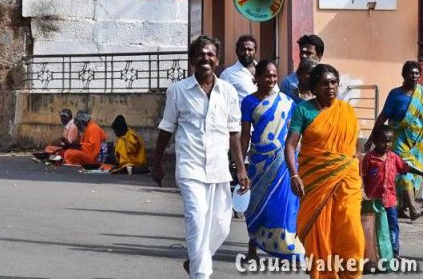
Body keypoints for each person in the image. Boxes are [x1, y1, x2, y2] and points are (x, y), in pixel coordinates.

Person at [152, 35, 249, 279]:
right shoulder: (178, 91)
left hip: (219, 169)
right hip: (190, 168)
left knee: (221, 224)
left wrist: (241, 169)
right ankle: (200, 273)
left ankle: (195, 260)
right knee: (196, 221)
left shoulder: (228, 92)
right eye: (200, 54)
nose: (205, 59)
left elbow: (234, 133)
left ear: (217, 59)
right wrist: (156, 163)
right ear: (192, 59)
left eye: (210, 54)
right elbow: (166, 128)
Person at [283, 64, 365, 279]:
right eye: (324, 84)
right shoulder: (304, 110)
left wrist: (358, 176)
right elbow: (290, 145)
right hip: (315, 182)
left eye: (333, 82)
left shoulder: (346, 110)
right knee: (320, 234)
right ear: (314, 87)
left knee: (352, 232)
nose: (330, 87)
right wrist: (294, 175)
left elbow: (354, 148)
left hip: (347, 182)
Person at [239, 60, 303, 261]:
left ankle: (287, 247)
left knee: (284, 204)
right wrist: (240, 162)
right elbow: (245, 135)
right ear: (256, 78)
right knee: (256, 205)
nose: (272, 79)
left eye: (274, 76)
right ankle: (253, 247)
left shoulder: (287, 102)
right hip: (259, 161)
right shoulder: (248, 102)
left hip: (283, 161)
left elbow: (294, 133)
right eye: (267, 75)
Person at [367, 60, 423, 221]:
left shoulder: (421, 93)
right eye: (410, 73)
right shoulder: (395, 94)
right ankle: (413, 209)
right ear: (403, 75)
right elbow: (383, 117)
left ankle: (401, 208)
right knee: (405, 170)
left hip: (417, 143)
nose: (414, 76)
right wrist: (371, 138)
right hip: (398, 139)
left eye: (416, 73)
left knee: (411, 175)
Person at [361, 124, 423, 262]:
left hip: (390, 201)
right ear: (375, 141)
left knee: (393, 227)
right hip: (373, 202)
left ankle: (394, 253)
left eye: (390, 140)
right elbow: (362, 176)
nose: (387, 144)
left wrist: (421, 173)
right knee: (374, 227)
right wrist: (362, 193)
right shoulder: (370, 158)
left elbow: (406, 167)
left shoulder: (394, 157)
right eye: (384, 141)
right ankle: (373, 253)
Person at [279, 34, 324, 100]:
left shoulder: (327, 82)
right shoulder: (288, 83)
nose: (303, 56)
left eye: (308, 53)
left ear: (319, 56)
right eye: (302, 52)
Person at [221, 34, 257, 102]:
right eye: (243, 49)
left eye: (250, 50)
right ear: (237, 51)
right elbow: (222, 100)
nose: (246, 53)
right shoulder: (227, 74)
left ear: (255, 51)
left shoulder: (264, 69)